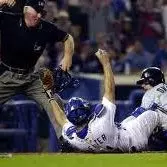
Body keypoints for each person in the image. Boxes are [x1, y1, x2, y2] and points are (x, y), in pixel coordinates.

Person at [43, 49, 167, 152]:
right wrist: (106, 63)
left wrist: (50, 95)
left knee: (133, 118)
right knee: (152, 113)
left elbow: (60, 118)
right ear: (87, 109)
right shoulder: (101, 121)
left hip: (109, 144)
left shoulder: (72, 136)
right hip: (131, 139)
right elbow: (110, 90)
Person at [0, 0, 74, 128]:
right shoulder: (8, 19)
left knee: (55, 103)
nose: (39, 16)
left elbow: (68, 38)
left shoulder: (45, 28)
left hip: (30, 77)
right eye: (36, 11)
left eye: (41, 12)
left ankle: (69, 141)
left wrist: (67, 57)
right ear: (26, 10)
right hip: (5, 75)